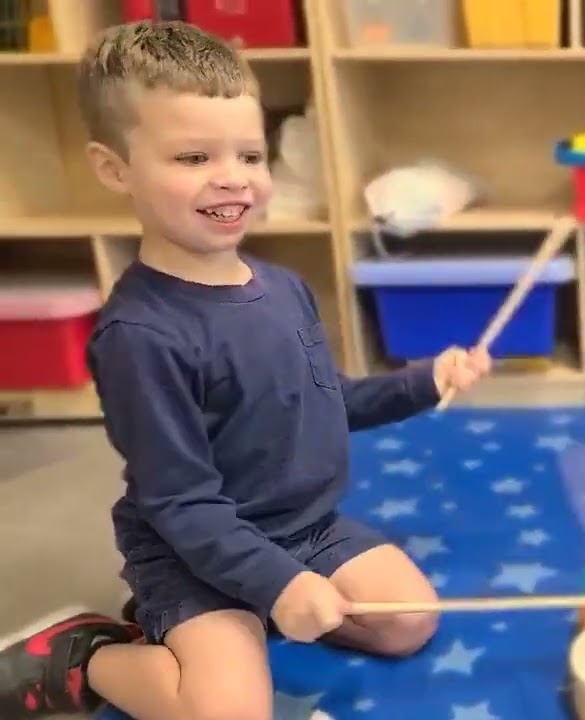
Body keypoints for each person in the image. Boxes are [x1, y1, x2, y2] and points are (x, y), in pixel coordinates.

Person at [0, 21, 491, 720]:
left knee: (409, 619)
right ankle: (87, 659)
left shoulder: (284, 287)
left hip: (306, 527)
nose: (232, 176)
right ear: (115, 169)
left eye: (251, 154)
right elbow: (179, 504)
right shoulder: (139, 336)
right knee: (228, 714)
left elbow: (330, 401)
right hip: (191, 551)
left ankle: (233, 631)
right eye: (194, 155)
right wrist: (279, 585)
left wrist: (424, 381)